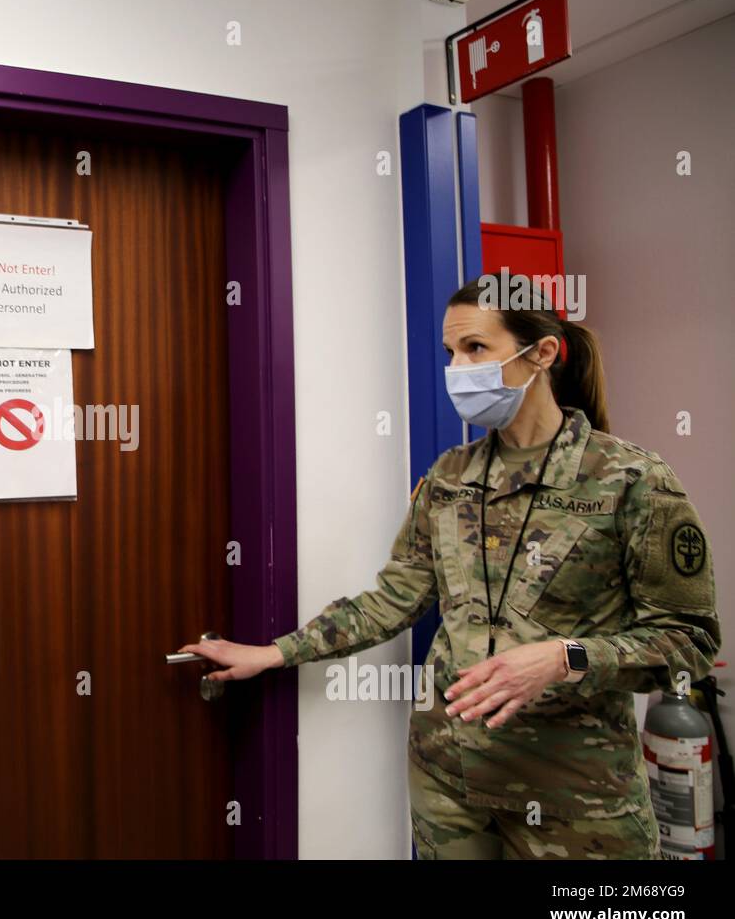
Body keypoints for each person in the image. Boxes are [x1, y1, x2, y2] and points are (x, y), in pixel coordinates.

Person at [183, 276, 720, 859]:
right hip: (449, 781)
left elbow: (687, 643)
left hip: (578, 798)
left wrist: (565, 658)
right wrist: (274, 652)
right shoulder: (449, 476)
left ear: (541, 354)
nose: (458, 368)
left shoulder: (632, 480)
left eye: (476, 349)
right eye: (451, 353)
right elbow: (393, 599)